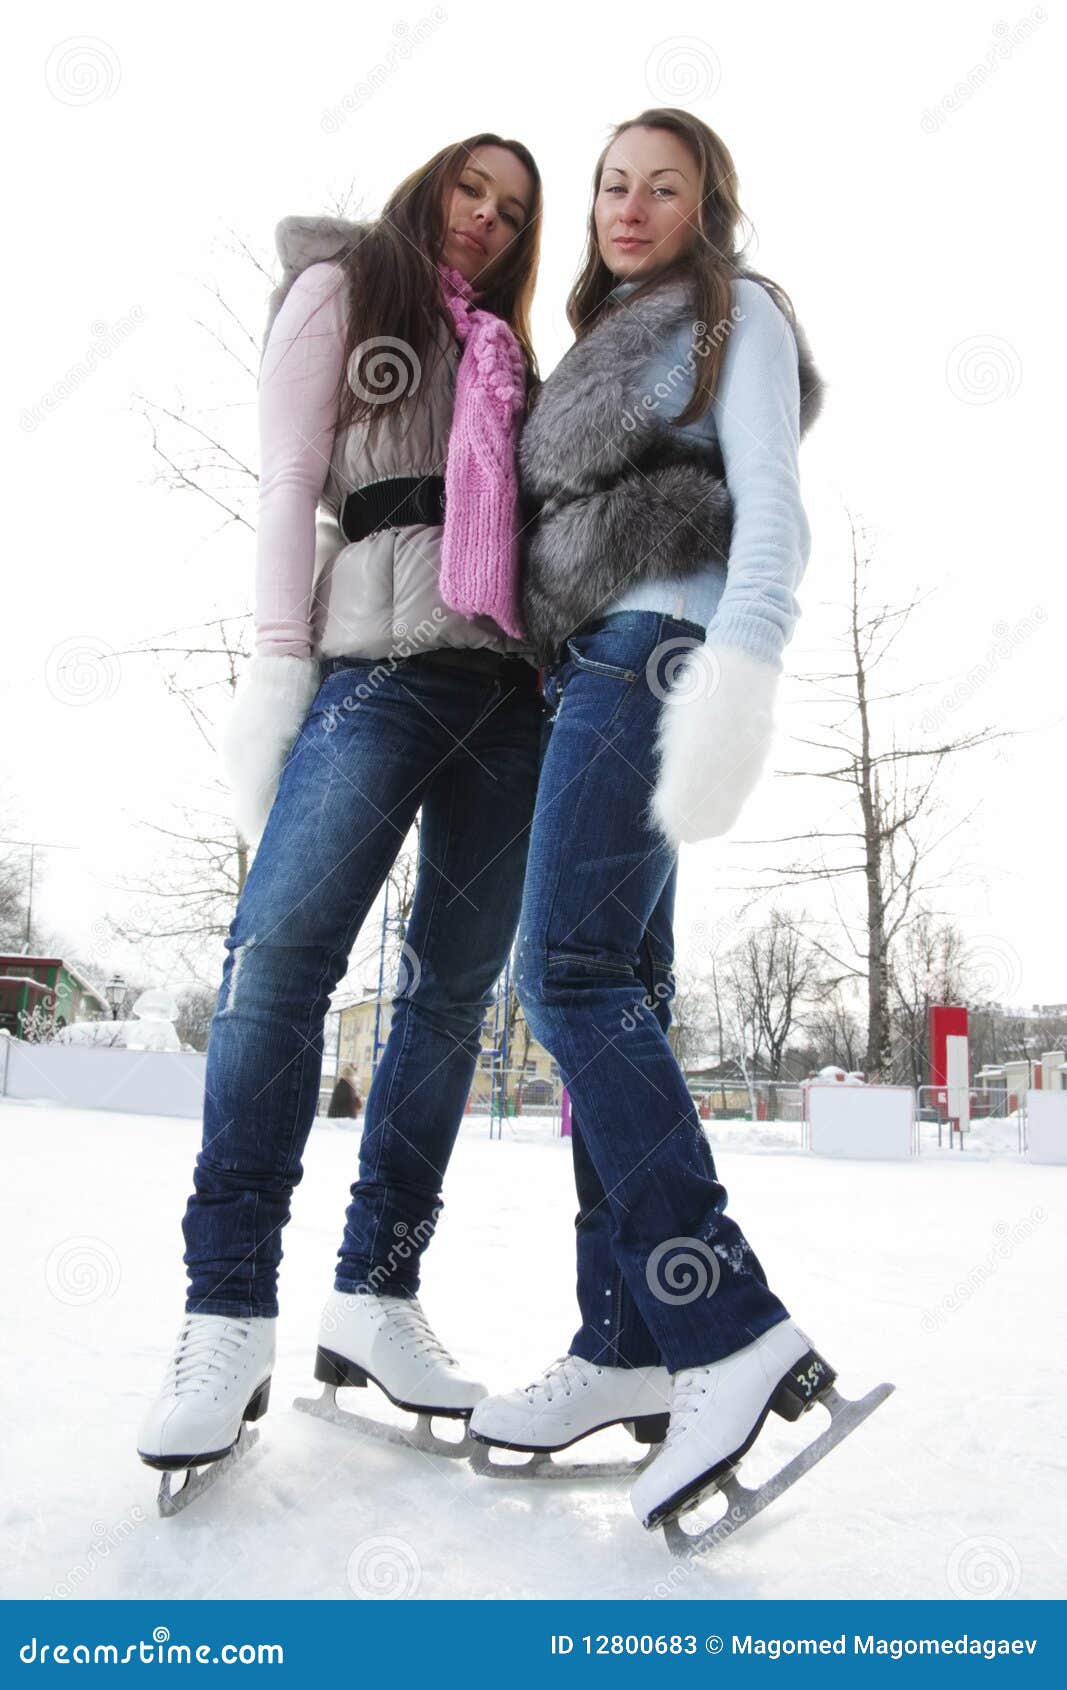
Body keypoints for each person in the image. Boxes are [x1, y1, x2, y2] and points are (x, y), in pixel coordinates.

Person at [138, 133, 545, 1480]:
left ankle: (376, 1292)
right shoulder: (341, 289)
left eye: (512, 209)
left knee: (446, 997)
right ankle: (225, 1313)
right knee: (278, 961)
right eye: (469, 190)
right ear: (428, 186)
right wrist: (275, 663)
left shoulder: (502, 349)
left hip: (512, 691)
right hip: (376, 666)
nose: (485, 219)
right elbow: (285, 488)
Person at [468, 109, 831, 1531]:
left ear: (705, 205)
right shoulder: (607, 346)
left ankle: (729, 1324)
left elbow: (776, 517)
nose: (628, 205)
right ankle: (628, 1339)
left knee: (563, 977)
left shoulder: (736, 317)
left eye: (660, 186)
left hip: (657, 654)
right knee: (617, 989)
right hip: (595, 669)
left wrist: (731, 692)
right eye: (612, 183)